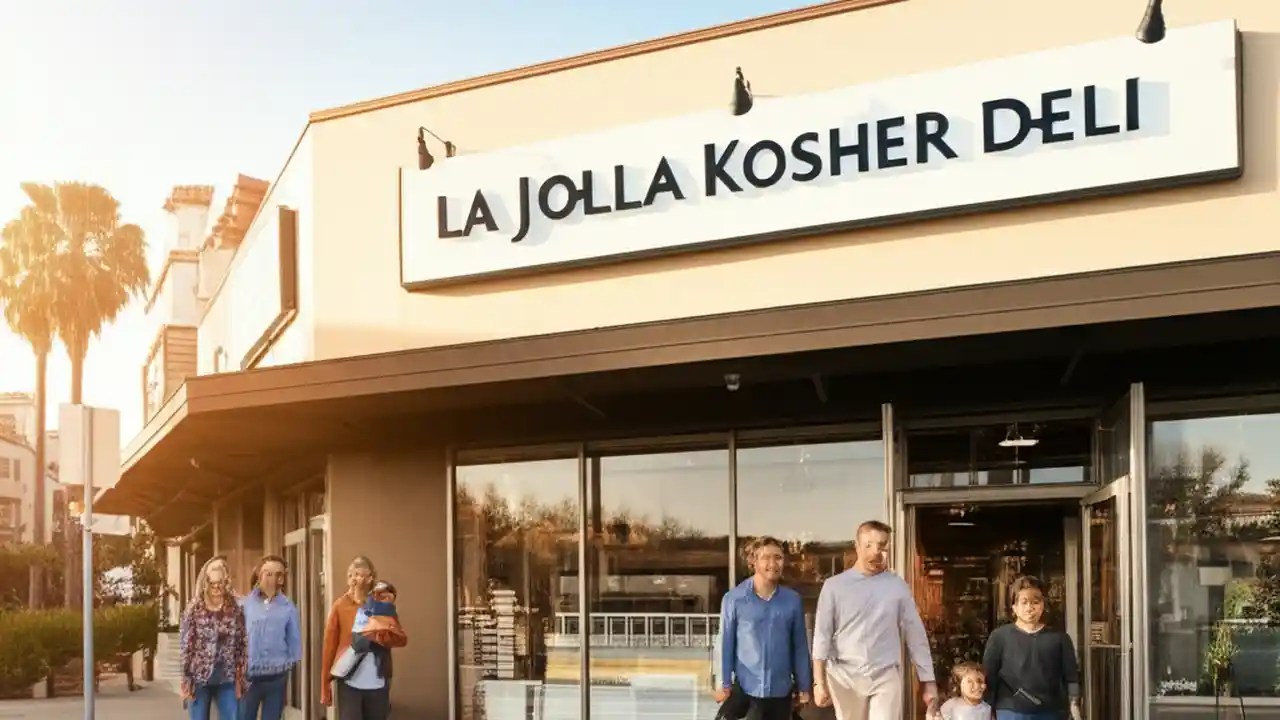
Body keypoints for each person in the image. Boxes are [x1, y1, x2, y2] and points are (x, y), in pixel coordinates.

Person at [812, 520, 937, 720]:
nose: (876, 552)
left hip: (885, 674)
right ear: (857, 546)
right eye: (869, 545)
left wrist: (928, 681)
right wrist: (818, 682)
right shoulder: (834, 586)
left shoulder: (897, 587)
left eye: (882, 545)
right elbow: (822, 635)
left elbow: (916, 635)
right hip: (844, 676)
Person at [715, 536, 813, 720]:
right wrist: (723, 682)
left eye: (778, 557)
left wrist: (804, 686)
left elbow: (799, 647)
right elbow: (725, 643)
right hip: (746, 690)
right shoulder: (734, 599)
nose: (773, 563)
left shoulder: (792, 601)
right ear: (753, 561)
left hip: (781, 693)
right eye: (766, 557)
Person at [982, 575, 1081, 720]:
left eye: (1035, 602)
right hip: (1010, 710)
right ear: (1014, 607)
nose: (1030, 608)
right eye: (1024, 602)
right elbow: (989, 675)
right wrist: (988, 709)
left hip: (1051, 710)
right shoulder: (999, 637)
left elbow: (1071, 676)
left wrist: (1074, 705)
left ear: (1043, 606)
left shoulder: (1060, 638)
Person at [321, 556, 407, 720]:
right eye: (353, 575)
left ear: (370, 579)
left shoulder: (381, 605)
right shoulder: (340, 606)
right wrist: (325, 685)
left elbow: (400, 639)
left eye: (361, 575)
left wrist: (379, 637)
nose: (356, 580)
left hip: (377, 681)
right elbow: (329, 647)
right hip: (349, 681)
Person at [180, 556, 248, 719]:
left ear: (227, 583)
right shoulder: (194, 608)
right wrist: (186, 679)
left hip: (227, 677)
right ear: (205, 583)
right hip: (199, 678)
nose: (217, 588)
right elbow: (186, 646)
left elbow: (242, 643)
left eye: (221, 583)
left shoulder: (236, 608)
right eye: (212, 584)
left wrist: (241, 677)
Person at [239, 554, 302, 720]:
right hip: (249, 678)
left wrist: (284, 664)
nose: (272, 578)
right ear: (259, 574)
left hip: (276, 678)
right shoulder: (244, 604)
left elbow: (294, 643)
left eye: (278, 574)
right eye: (268, 573)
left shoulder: (288, 607)